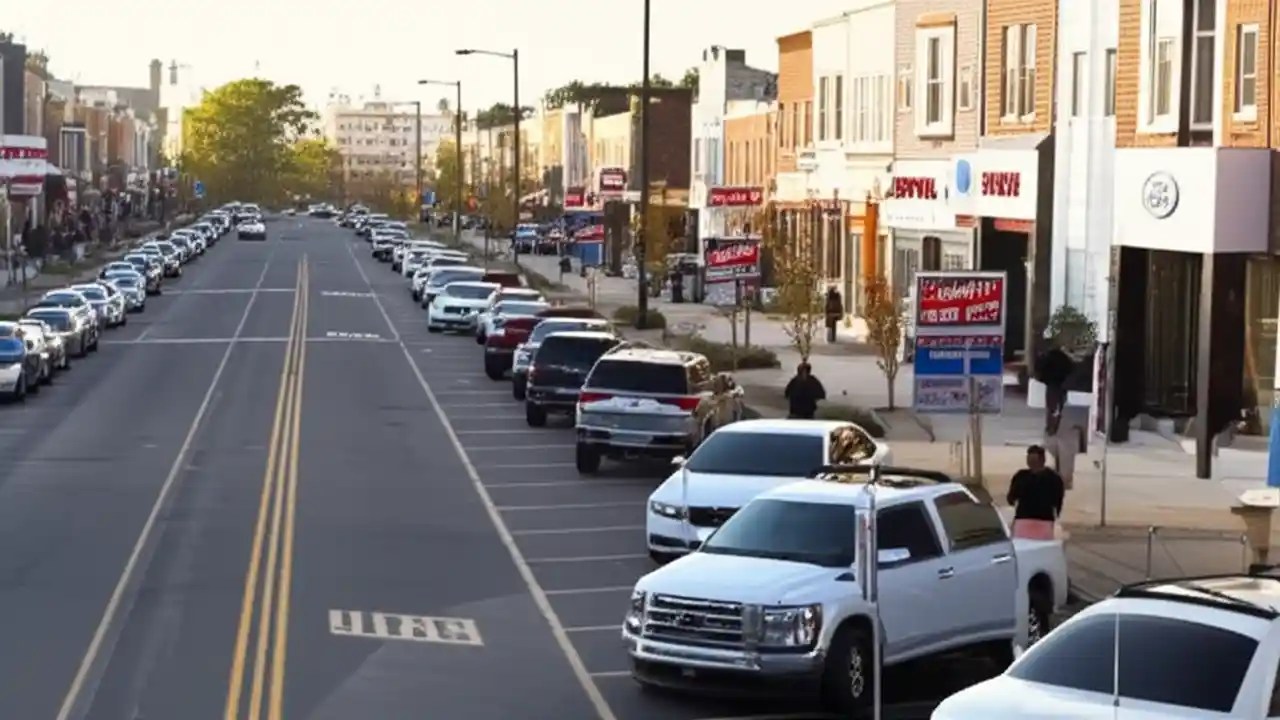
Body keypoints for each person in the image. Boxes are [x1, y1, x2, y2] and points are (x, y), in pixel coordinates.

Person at [1006, 445, 1065, 540]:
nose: (1030, 462)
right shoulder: (1054, 478)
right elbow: (1058, 501)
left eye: (1032, 460)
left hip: (1025, 519)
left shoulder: (1021, 476)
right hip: (1043, 519)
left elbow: (1011, 498)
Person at [1035, 343, 1075, 435]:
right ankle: (1055, 425)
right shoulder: (1064, 358)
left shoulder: (1048, 357)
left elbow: (1040, 368)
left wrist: (1043, 379)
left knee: (1050, 406)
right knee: (1059, 406)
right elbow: (1070, 369)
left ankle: (1050, 427)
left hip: (1051, 384)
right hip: (1062, 384)